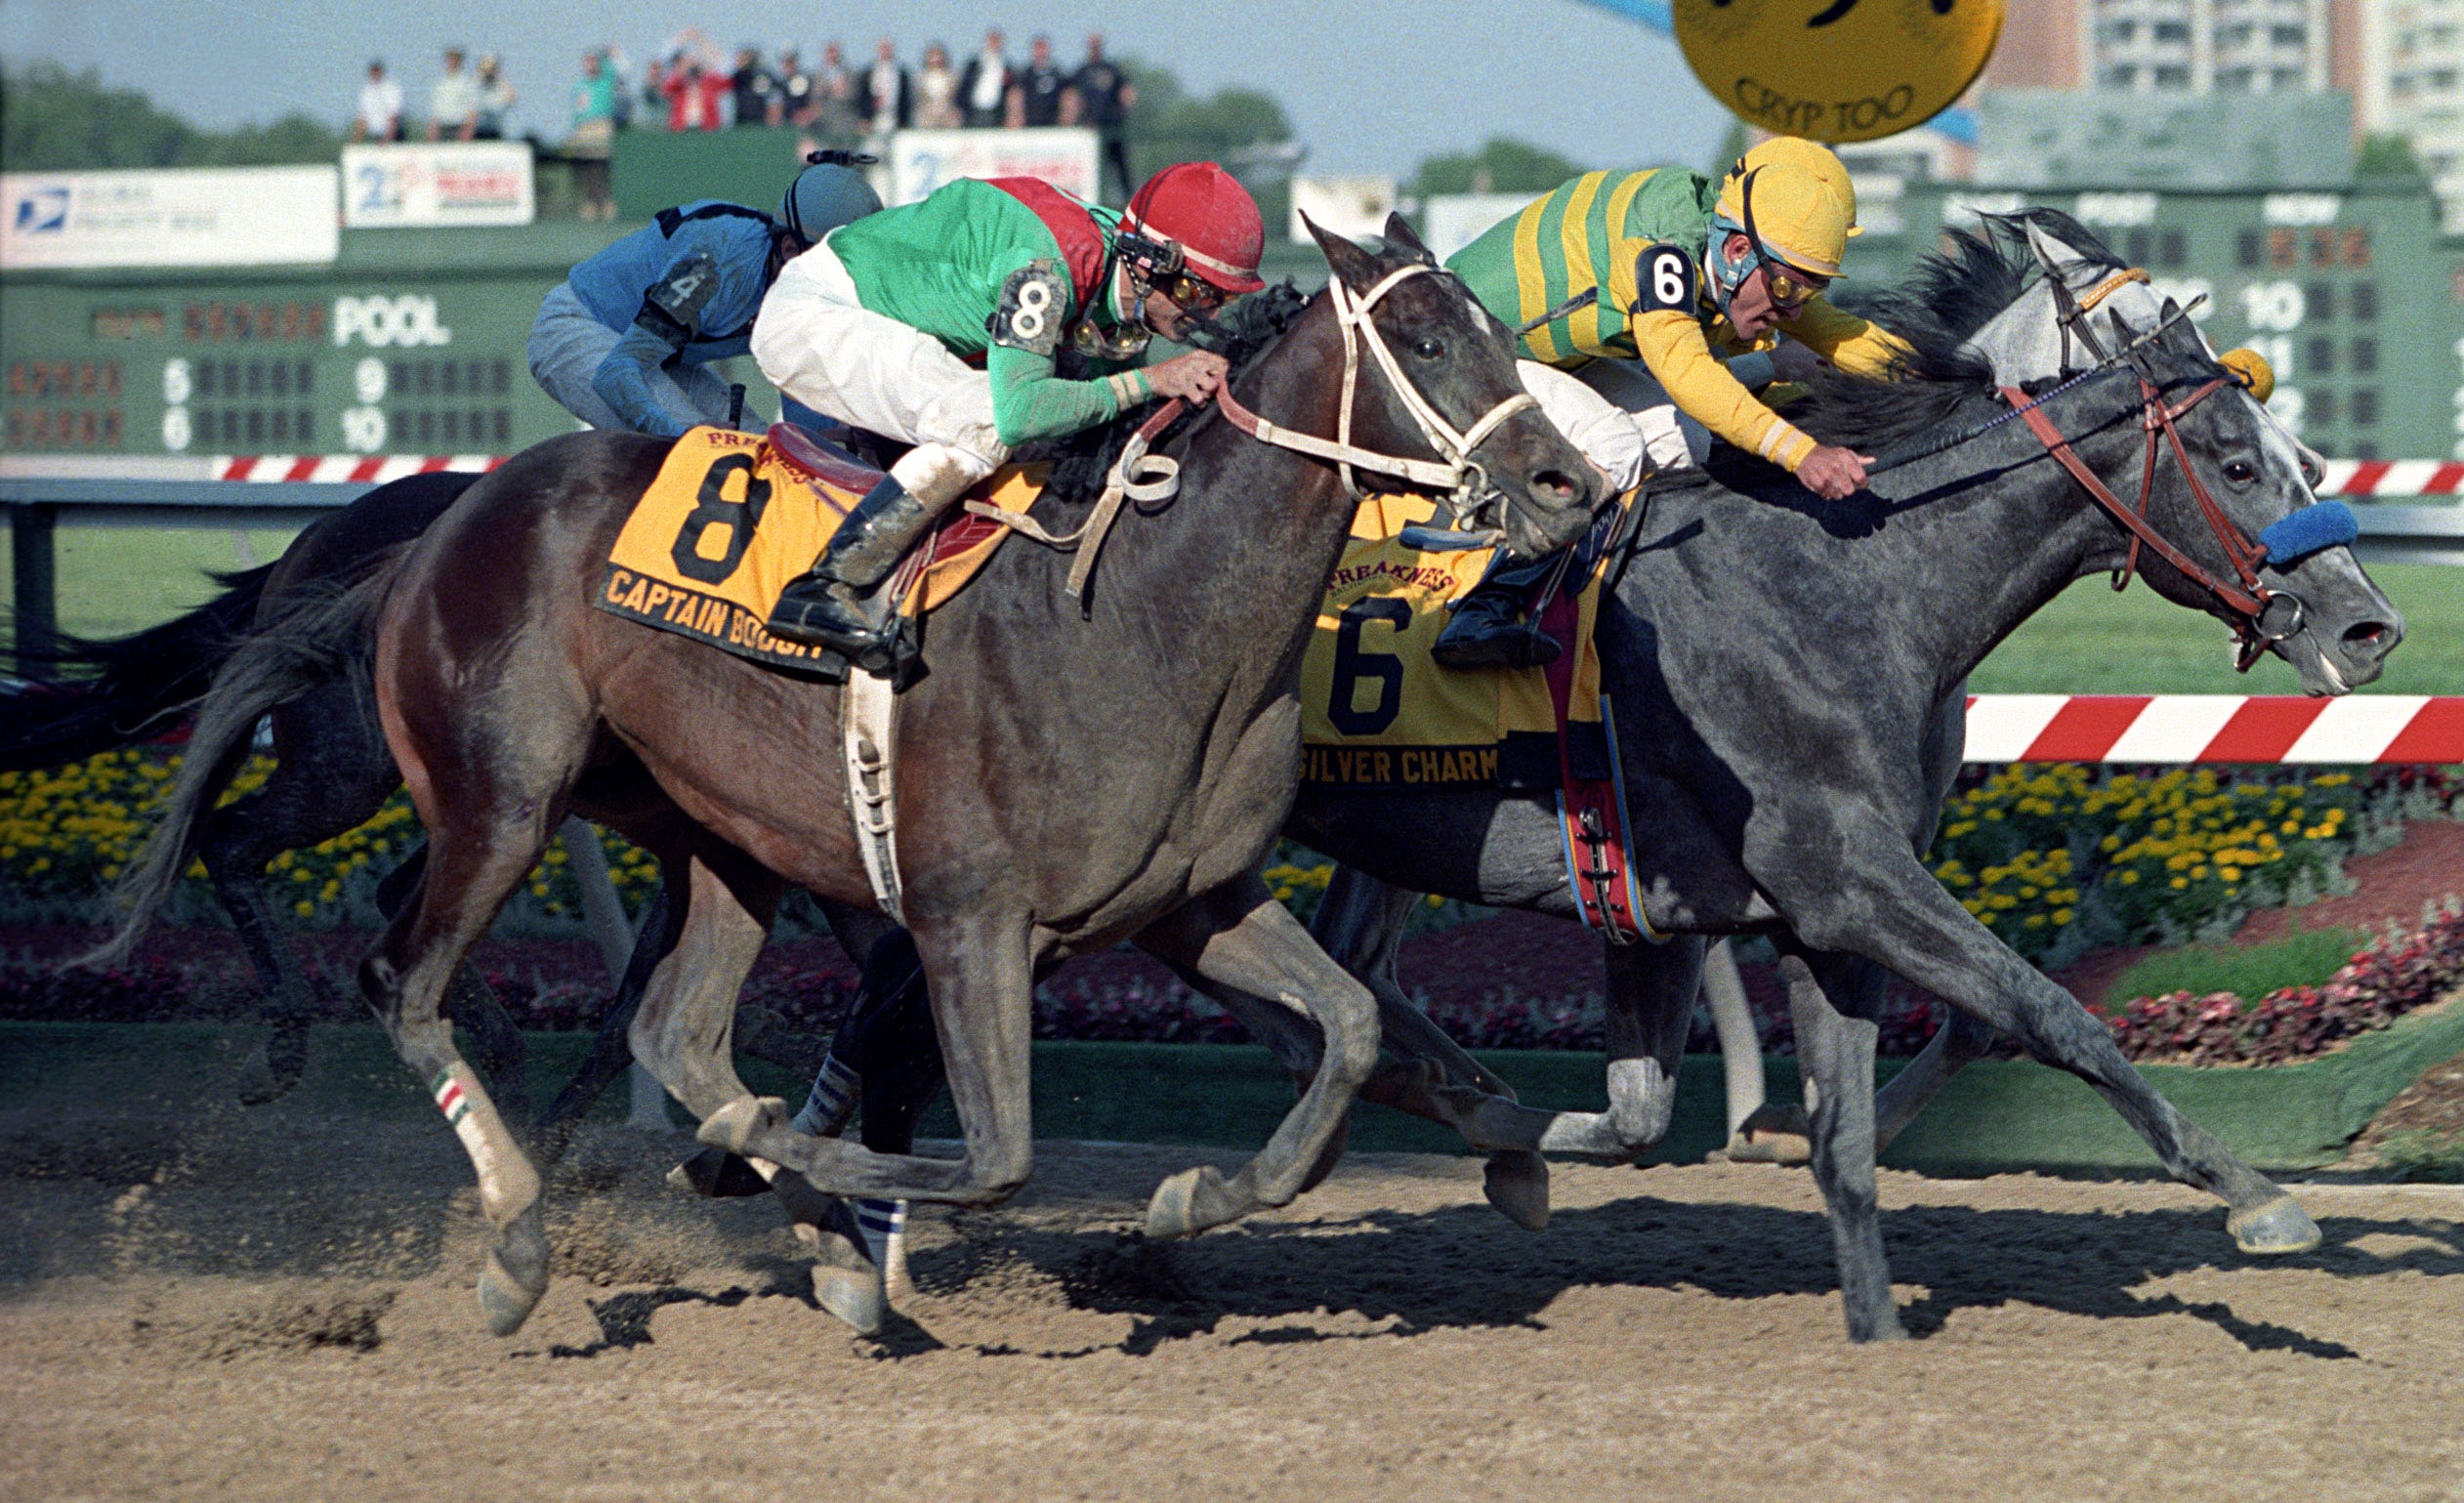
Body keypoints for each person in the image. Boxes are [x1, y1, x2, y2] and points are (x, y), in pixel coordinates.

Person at [752, 161, 1265, 664]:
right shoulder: (1046, 268)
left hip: (872, 308)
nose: (1211, 314)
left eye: (1222, 300)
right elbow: (1021, 413)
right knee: (986, 424)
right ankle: (825, 587)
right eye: (1202, 292)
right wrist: (1151, 379)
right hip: (816, 313)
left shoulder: (1111, 271)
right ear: (1153, 264)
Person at [1432, 136, 1907, 667]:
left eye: (1809, 294)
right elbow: (1688, 374)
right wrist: (1803, 454)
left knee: (1683, 439)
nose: (1795, 313)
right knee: (1615, 443)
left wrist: (1963, 371)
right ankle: (1481, 609)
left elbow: (1843, 334)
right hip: (1459, 347)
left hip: (1538, 354)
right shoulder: (1662, 245)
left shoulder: (1737, 248)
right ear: (1736, 252)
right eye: (1790, 291)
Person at [526, 153, 884, 441]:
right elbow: (616, 373)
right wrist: (684, 437)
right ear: (790, 248)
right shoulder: (712, 268)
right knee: (707, 446)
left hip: (657, 356)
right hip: (579, 329)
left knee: (759, 442)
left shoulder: (801, 280)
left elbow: (806, 429)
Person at [1065, 34, 1136, 202]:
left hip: (1112, 126)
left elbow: (1127, 90)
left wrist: (1124, 109)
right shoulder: (1082, 71)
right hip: (1090, 128)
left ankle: (1129, 201)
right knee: (1092, 166)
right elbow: (1071, 95)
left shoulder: (1111, 69)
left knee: (1120, 166)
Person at [567, 50, 618, 221]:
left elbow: (613, 71)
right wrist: (575, 129)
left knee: (602, 164)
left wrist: (604, 54)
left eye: (593, 61)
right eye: (588, 61)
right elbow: (577, 109)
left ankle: (606, 203)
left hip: (602, 124)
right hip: (585, 127)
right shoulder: (580, 85)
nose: (591, 65)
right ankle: (590, 203)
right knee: (587, 165)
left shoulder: (605, 81)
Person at [957, 29, 1010, 129]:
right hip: (973, 112)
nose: (994, 44)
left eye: (997, 41)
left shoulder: (1007, 67)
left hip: (996, 113)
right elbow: (963, 89)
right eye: (991, 41)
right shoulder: (973, 65)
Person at [427, 47, 479, 141]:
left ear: (460, 62)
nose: (452, 62)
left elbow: (472, 109)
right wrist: (432, 130)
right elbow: (435, 110)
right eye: (450, 59)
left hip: (460, 127)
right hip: (442, 128)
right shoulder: (440, 83)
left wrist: (467, 132)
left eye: (455, 60)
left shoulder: (467, 82)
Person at [861, 39, 909, 136]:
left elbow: (905, 99)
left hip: (893, 118)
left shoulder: (900, 73)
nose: (885, 51)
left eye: (888, 48)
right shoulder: (868, 72)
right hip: (874, 119)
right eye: (883, 48)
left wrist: (904, 121)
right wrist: (865, 118)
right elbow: (863, 97)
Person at [730, 46, 782, 128]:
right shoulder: (736, 77)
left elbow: (774, 96)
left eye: (743, 58)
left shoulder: (761, 76)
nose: (739, 61)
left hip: (759, 121)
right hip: (741, 122)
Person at [352, 59, 402, 143]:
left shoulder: (392, 89)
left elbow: (394, 118)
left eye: (377, 72)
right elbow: (362, 118)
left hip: (393, 135)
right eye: (373, 73)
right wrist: (355, 142)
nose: (375, 75)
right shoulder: (366, 90)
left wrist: (386, 140)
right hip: (373, 135)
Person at [912, 43, 961, 129]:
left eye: (938, 56)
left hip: (947, 114)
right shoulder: (920, 78)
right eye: (933, 57)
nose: (935, 60)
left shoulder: (952, 77)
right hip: (927, 115)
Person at [473, 55, 517, 141]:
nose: (488, 72)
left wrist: (499, 77)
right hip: (476, 132)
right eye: (485, 69)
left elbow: (512, 99)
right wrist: (479, 76)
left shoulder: (500, 89)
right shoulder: (475, 87)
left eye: (491, 69)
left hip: (495, 132)